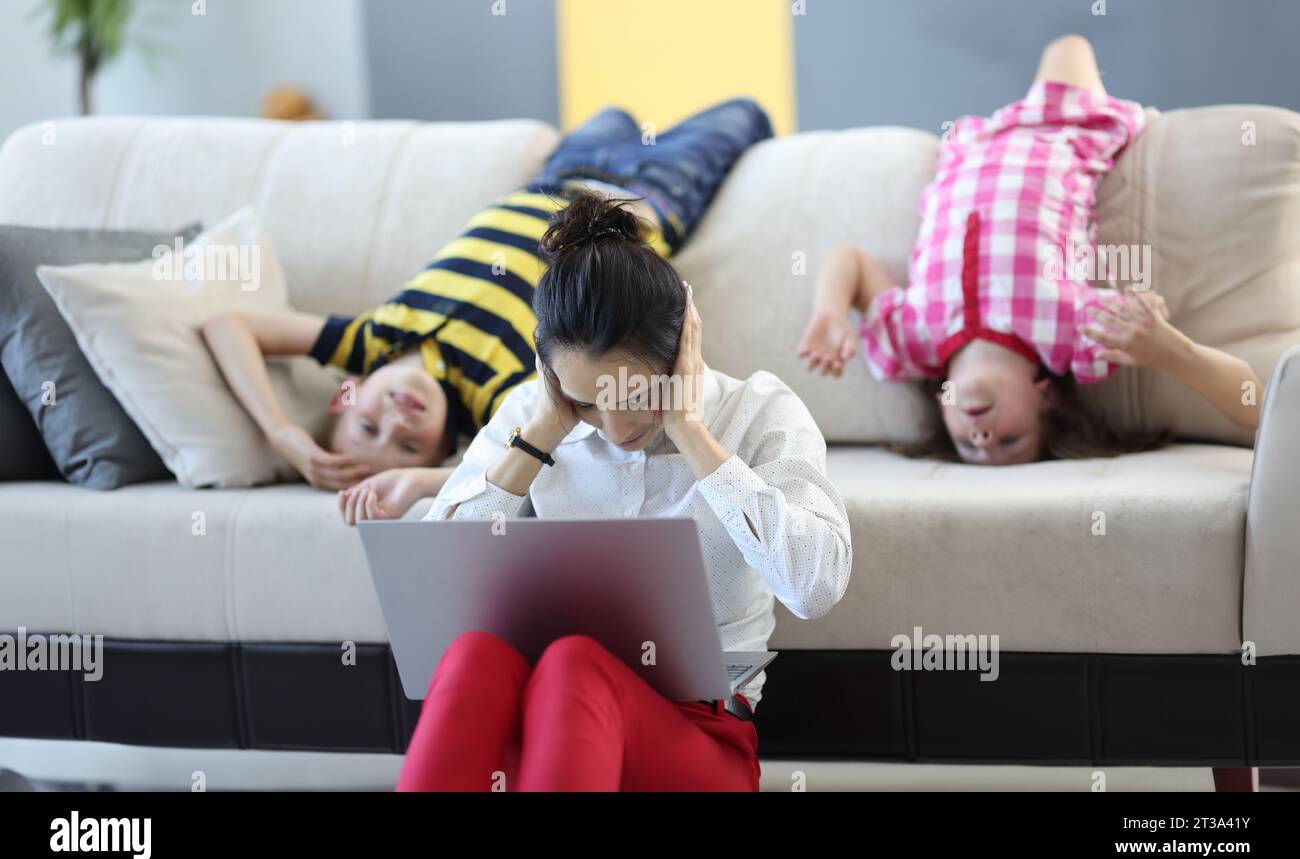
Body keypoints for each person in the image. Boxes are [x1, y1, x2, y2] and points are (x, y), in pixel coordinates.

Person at [397, 192, 853, 791]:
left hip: (697, 733)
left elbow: (815, 586)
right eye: (586, 402)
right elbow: (437, 589)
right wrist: (543, 434)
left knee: (575, 662)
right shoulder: (532, 415)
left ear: (681, 353)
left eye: (633, 397)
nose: (614, 429)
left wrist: (691, 433)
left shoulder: (759, 411)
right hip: (546, 729)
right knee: (473, 657)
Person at [201, 98, 773, 515]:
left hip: (557, 179)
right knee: (744, 113)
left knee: (616, 113)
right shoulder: (498, 390)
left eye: (368, 423)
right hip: (654, 197)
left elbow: (228, 324)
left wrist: (283, 435)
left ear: (347, 388)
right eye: (407, 444)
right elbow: (511, 465)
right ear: (442, 442)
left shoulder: (373, 336)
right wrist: (423, 481)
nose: (398, 420)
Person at [795, 35, 1261, 464]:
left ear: (944, 406)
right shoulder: (1072, 336)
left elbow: (848, 260)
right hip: (1061, 131)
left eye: (967, 446)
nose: (983, 438)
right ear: (1046, 397)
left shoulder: (912, 343)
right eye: (1010, 441)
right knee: (1069, 47)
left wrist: (830, 310)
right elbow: (1256, 406)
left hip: (968, 149)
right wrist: (1171, 351)